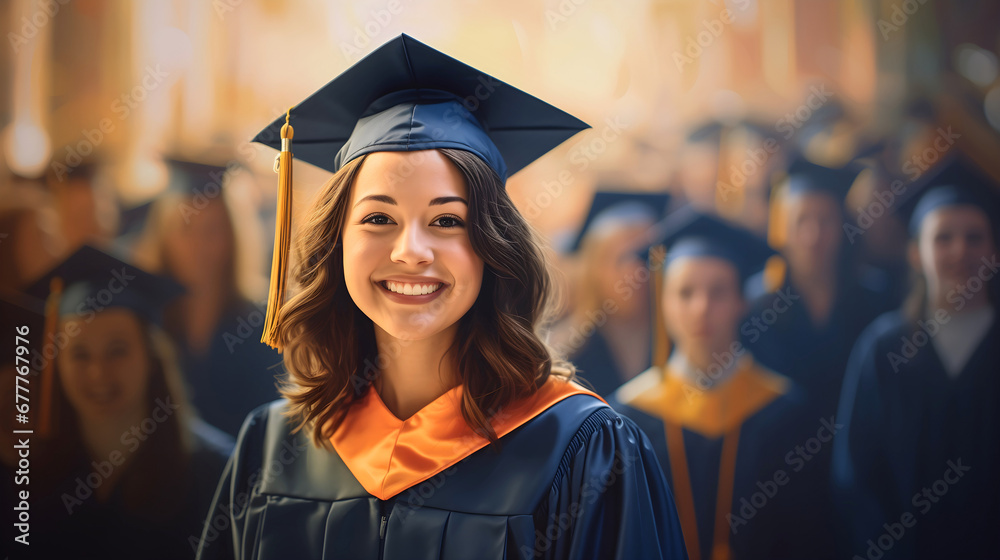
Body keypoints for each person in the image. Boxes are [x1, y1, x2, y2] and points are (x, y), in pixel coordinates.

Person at [195, 34, 687, 560]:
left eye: (446, 220)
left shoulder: (581, 451)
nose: (411, 251)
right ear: (338, 241)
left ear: (492, 247)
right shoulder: (270, 448)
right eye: (378, 218)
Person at [608, 208, 810, 560]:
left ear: (741, 302)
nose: (701, 308)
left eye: (717, 292)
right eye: (685, 293)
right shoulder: (627, 419)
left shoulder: (785, 411)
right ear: (664, 303)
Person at [832, 154, 1000, 559]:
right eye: (943, 237)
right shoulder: (884, 349)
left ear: (994, 250)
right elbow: (856, 474)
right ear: (915, 253)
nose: (960, 250)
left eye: (975, 237)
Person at [24, 245, 234, 559]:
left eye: (117, 350)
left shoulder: (217, 473)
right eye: (80, 355)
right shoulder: (31, 476)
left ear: (151, 356)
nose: (98, 373)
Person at [135, 158, 282, 436]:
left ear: (232, 236)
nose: (198, 247)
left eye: (212, 230)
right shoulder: (144, 320)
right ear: (164, 235)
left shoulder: (261, 322)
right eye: (186, 229)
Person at [552, 190, 670, 396]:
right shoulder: (563, 357)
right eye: (622, 259)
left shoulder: (685, 343)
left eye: (645, 257)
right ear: (594, 270)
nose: (636, 272)